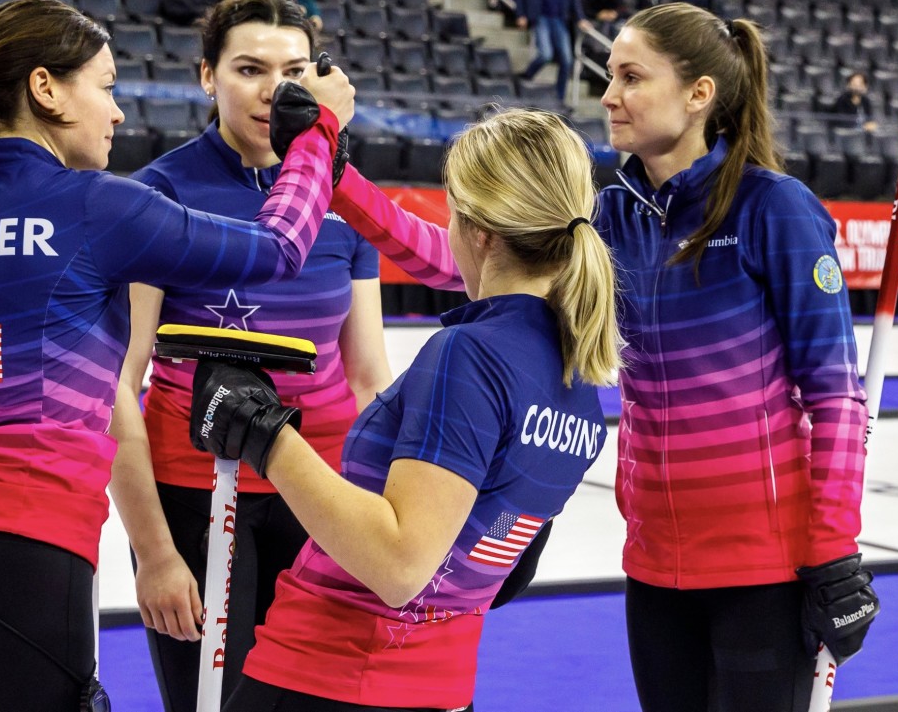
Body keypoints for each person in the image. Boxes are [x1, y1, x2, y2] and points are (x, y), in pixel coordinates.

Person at [322, 2, 881, 712]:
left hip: (764, 571)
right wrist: (341, 181)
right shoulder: (609, 215)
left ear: (698, 94)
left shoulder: (774, 210)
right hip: (654, 567)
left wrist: (834, 553)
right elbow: (453, 255)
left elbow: (836, 396)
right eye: (610, 74)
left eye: (630, 76)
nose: (608, 93)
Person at [0, 0, 353, 711]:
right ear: (46, 88)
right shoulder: (94, 206)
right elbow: (279, 250)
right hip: (21, 562)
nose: (117, 113)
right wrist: (319, 133)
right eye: (106, 86)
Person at [188, 106, 623, 711]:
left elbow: (399, 566)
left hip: (333, 673)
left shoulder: (469, 353)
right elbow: (496, 564)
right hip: (436, 681)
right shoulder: (574, 375)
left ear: (481, 233)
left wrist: (264, 433)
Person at [110, 0, 392, 712]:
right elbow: (120, 382)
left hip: (326, 497)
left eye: (294, 69)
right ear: (208, 76)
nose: (275, 90)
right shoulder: (159, 194)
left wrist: (386, 515)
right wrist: (155, 554)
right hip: (198, 494)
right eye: (248, 69)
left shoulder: (345, 194)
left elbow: (367, 374)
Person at [514, 0, 592, 103]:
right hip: (540, 17)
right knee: (545, 54)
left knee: (567, 60)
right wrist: (521, 14)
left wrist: (580, 18)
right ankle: (526, 76)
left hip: (559, 20)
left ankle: (559, 98)